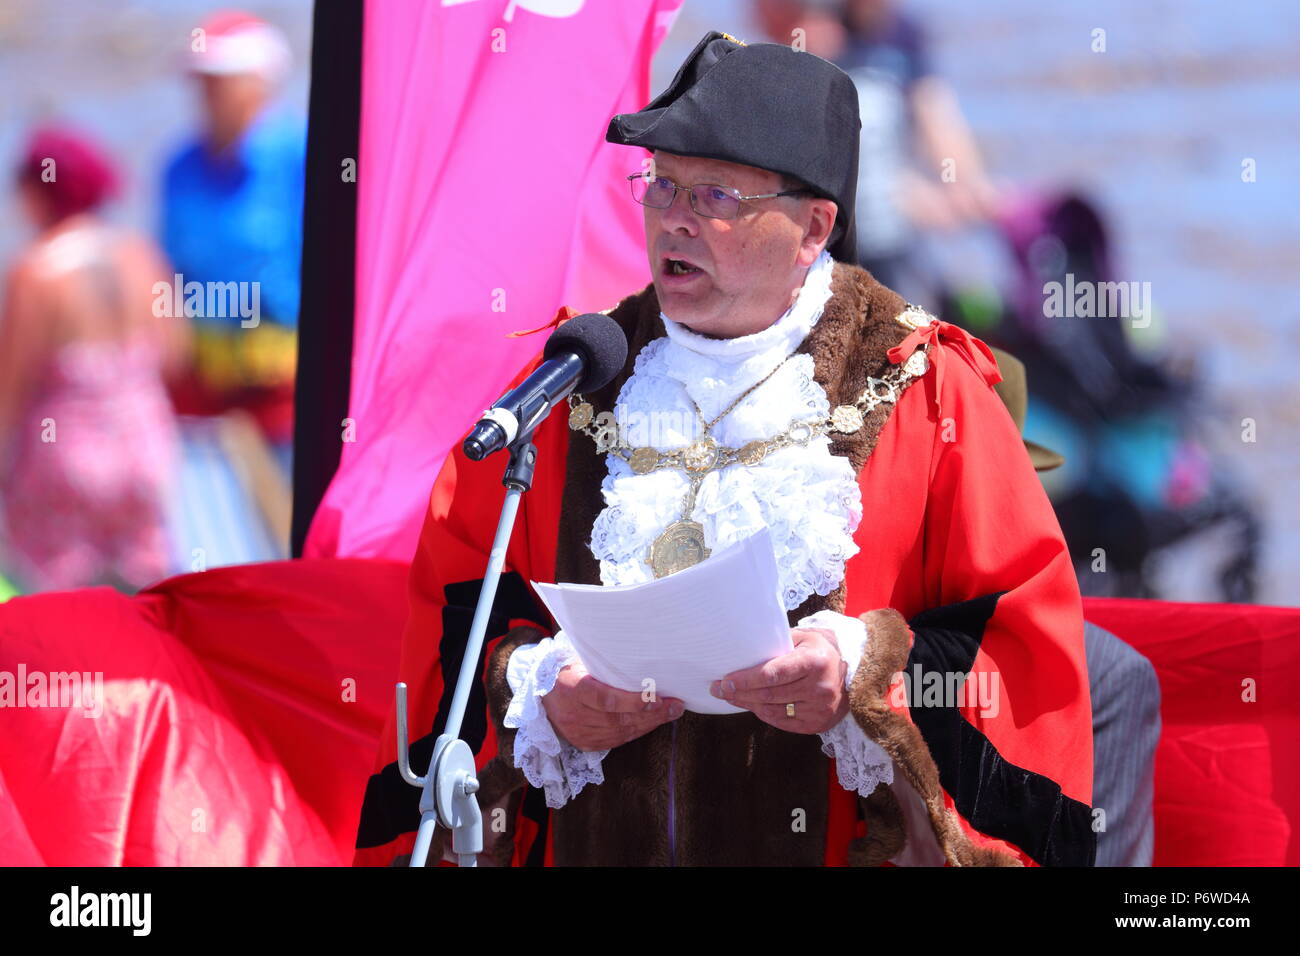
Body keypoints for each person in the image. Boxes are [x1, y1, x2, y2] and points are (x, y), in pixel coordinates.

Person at [354, 31, 1095, 867]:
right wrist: (537, 698)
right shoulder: (576, 381)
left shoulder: (922, 387)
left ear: (814, 227)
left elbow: (1021, 637)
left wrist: (861, 671)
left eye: (714, 196)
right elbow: (458, 611)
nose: (673, 216)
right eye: (660, 184)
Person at [0, 127, 187, 592]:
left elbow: (11, 386)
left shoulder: (36, 271)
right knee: (143, 591)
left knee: (57, 596)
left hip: (66, 456)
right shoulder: (140, 256)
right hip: (144, 445)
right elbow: (177, 355)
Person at [160, 10, 305, 464]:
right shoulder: (179, 167)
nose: (206, 93)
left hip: (285, 386)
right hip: (201, 385)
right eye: (200, 80)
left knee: (286, 523)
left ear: (259, 83)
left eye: (219, 79)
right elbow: (167, 272)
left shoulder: (300, 157)